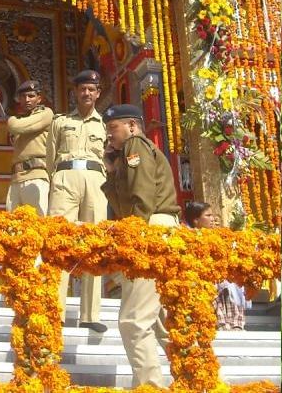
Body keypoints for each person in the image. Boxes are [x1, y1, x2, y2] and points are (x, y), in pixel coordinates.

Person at [101, 104, 179, 388]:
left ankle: (150, 386)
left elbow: (142, 199)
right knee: (162, 323)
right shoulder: (127, 154)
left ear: (132, 126)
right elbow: (126, 203)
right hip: (157, 229)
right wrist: (111, 171)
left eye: (113, 128)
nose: (109, 136)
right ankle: (194, 378)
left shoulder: (135, 145)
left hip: (149, 229)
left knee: (134, 321)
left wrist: (133, 239)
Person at [48, 69, 108, 333]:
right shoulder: (61, 122)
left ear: (98, 93)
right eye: (82, 89)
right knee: (59, 241)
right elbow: (50, 155)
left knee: (94, 243)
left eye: (91, 89)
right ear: (75, 92)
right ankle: (55, 311)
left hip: (95, 179)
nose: (86, 93)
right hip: (66, 176)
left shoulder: (105, 124)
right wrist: (59, 178)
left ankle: (90, 314)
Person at [183, 200, 249, 331]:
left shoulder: (218, 235)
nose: (213, 219)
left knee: (231, 282)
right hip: (202, 276)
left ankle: (235, 323)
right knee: (218, 283)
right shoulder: (190, 237)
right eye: (208, 216)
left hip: (219, 274)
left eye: (212, 215)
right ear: (196, 220)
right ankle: (221, 323)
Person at [5, 79, 54, 216]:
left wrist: (13, 122)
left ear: (39, 98)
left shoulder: (46, 113)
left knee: (38, 221)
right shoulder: (20, 118)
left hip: (36, 175)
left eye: (31, 96)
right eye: (23, 96)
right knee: (13, 226)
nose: (27, 100)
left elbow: (14, 126)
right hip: (16, 177)